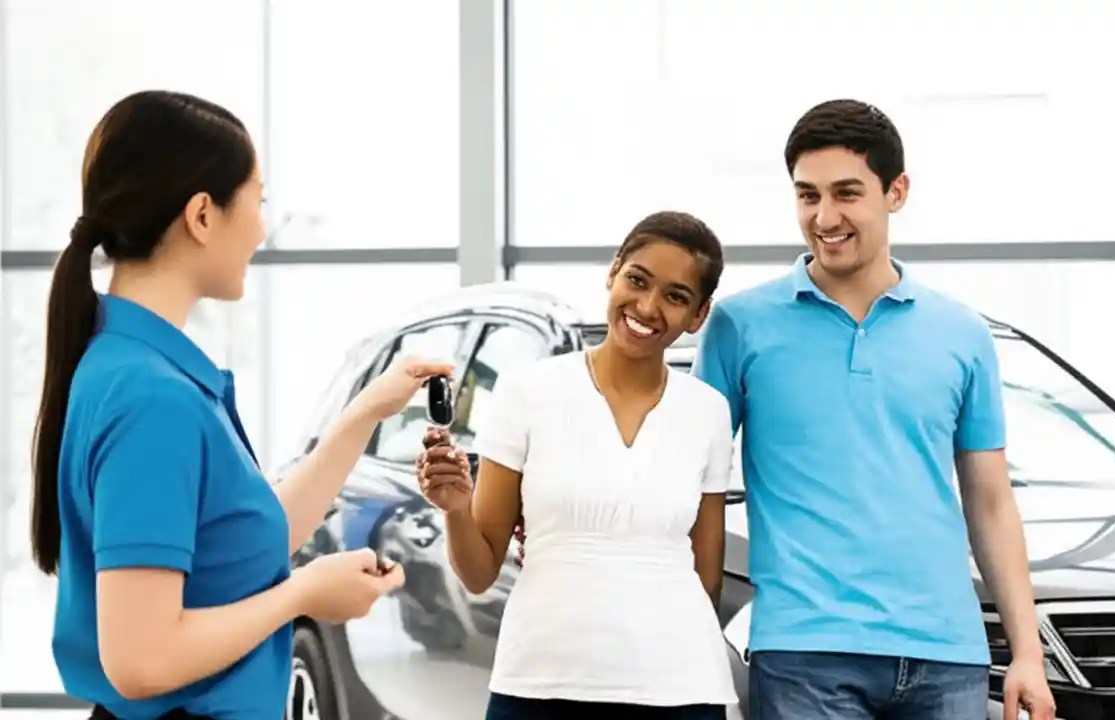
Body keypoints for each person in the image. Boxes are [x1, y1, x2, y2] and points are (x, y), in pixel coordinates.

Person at [28, 90, 451, 719]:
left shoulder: (134, 367)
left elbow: (243, 545)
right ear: (202, 215)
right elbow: (141, 660)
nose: (261, 226)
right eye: (258, 199)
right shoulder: (153, 400)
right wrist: (303, 593)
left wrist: (365, 411)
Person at [692, 99, 1058, 720]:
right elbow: (681, 473)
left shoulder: (963, 334)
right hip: (805, 652)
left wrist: (1027, 653)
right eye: (807, 196)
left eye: (846, 193)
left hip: (947, 654)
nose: (824, 217)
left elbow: (991, 502)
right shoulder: (738, 327)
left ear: (897, 192)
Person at [417, 211, 738, 720]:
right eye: (637, 279)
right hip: (542, 683)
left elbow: (707, 578)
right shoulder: (529, 391)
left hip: (679, 690)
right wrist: (456, 509)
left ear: (698, 315)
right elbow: (479, 574)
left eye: (676, 296)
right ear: (613, 273)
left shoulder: (707, 413)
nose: (648, 306)